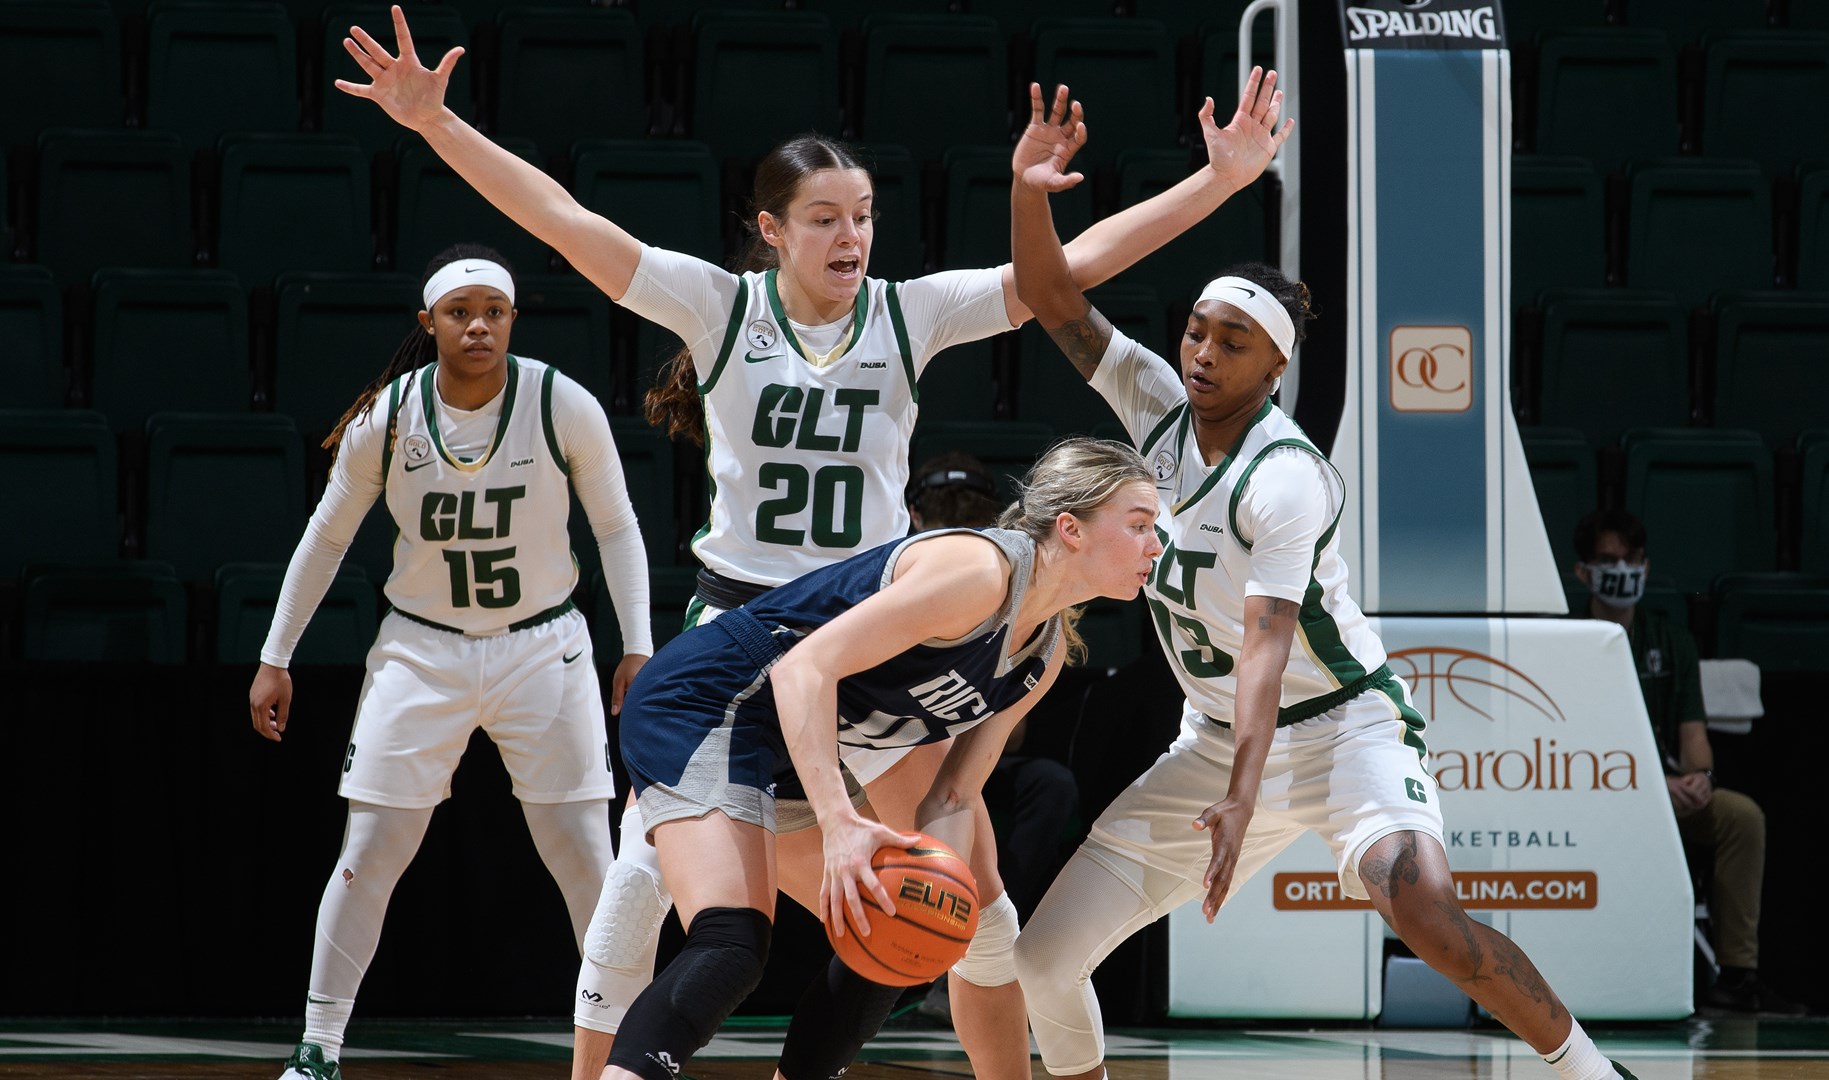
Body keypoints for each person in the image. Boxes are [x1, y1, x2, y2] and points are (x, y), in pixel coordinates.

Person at [333, 10, 1290, 1077]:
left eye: (865, 217)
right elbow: (562, 220)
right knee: (643, 892)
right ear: (772, 229)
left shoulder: (908, 315)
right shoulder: (719, 307)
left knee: (972, 912)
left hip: (877, 640)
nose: (851, 237)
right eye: (826, 218)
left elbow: (1069, 271)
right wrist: (437, 125)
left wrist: (1219, 183)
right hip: (741, 633)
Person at [1005, 112, 1640, 1080]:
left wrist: (1243, 795)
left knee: (1426, 912)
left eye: (1231, 342)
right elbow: (1050, 294)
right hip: (1216, 740)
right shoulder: (1155, 406)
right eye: (1196, 331)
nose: (1202, 353)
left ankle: (1595, 1074)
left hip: (1344, 732)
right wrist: (1027, 191)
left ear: (1276, 366)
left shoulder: (1288, 476)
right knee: (1043, 961)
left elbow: (1267, 642)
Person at [600, 437, 1162, 1080]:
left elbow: (952, 795)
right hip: (711, 701)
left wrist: (937, 886)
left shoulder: (1045, 653)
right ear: (1071, 528)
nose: (1155, 546)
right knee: (731, 946)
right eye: (1139, 525)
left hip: (792, 745)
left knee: (894, 936)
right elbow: (802, 669)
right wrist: (840, 824)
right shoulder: (978, 573)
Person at [248, 245, 654, 1080]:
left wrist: (638, 644)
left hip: (544, 648)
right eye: (460, 312)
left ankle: (629, 1052)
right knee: (369, 853)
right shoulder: (387, 418)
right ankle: (318, 1049)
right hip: (421, 650)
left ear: (514, 320)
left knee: (589, 858)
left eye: (493, 311)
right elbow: (326, 538)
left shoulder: (560, 403)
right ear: (427, 323)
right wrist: (274, 653)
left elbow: (617, 527)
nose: (478, 326)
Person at [1571, 509, 1803, 1016]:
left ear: (1646, 567)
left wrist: (1699, 779)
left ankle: (1737, 976)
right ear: (1583, 571)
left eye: (1632, 559)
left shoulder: (1670, 640)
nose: (1623, 570)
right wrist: (1654, 787)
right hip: (1586, 797)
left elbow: (1694, 739)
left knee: (1741, 817)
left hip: (1665, 796)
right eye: (1608, 560)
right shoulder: (1566, 639)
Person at [903, 452, 1083, 1025]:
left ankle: (998, 942)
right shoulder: (921, 574)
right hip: (889, 741)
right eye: (945, 514)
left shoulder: (1016, 594)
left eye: (969, 515)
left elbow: (1013, 729)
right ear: (914, 518)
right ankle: (919, 955)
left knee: (1046, 783)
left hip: (965, 750)